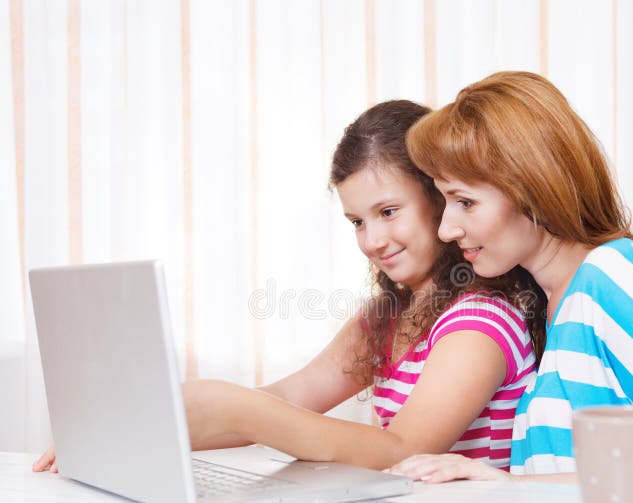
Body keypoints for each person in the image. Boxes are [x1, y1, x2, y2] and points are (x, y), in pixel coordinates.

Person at [33, 100, 538, 473]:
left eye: (388, 212)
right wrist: (124, 432)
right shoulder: (388, 315)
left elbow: (406, 448)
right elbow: (292, 396)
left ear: (438, 199)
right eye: (357, 221)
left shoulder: (479, 322)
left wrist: (247, 413)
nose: (373, 240)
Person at [386, 72, 633, 492]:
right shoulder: (554, 304)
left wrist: (506, 487)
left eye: (465, 202)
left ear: (534, 188)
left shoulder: (617, 277)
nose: (446, 229)